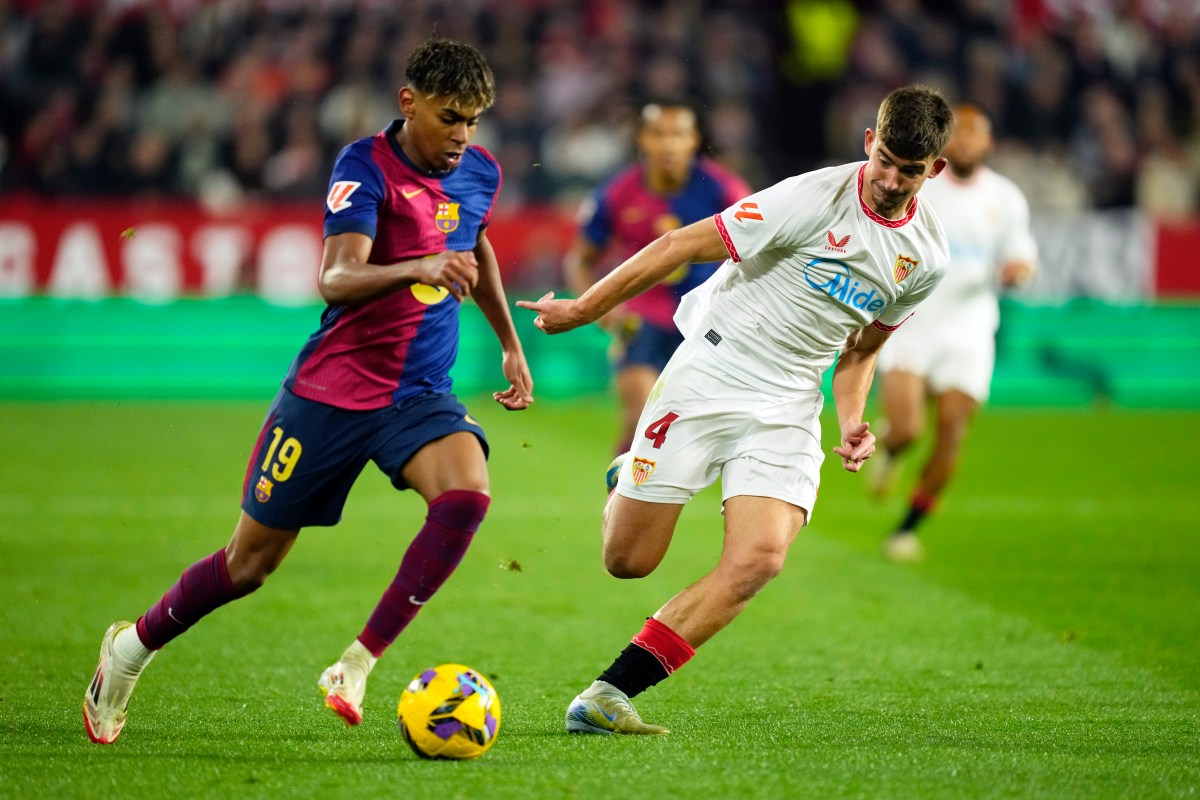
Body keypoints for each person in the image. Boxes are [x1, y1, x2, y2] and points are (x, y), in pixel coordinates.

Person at [82, 36, 534, 744]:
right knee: (249, 565)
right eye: (450, 117)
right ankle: (129, 650)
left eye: (474, 120)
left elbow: (473, 243)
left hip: (417, 391)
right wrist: (418, 264)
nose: (462, 136)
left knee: (467, 493)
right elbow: (336, 278)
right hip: (333, 391)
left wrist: (509, 342)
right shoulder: (363, 167)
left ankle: (357, 663)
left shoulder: (479, 171)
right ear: (408, 102)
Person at [518, 85, 954, 734]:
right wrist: (585, 310)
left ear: (934, 170)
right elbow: (678, 248)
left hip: (790, 403)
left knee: (760, 559)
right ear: (870, 140)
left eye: (910, 170)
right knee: (627, 561)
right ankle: (632, 470)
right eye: (885, 159)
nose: (891, 179)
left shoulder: (925, 258)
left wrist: (854, 417)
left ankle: (609, 694)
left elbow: (861, 351)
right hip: (713, 371)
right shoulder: (809, 198)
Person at [872, 104, 1037, 563]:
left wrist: (1020, 269)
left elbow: (1022, 254)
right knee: (906, 429)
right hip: (913, 322)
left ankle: (905, 530)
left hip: (970, 330)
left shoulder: (1005, 198)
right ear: (945, 143)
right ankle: (892, 451)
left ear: (989, 144)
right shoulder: (921, 186)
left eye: (975, 135)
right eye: (958, 135)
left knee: (952, 433)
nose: (965, 142)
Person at [564, 99, 751, 454]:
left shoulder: (725, 191)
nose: (668, 144)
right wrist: (601, 310)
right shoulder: (617, 193)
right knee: (641, 420)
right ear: (641, 140)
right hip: (641, 321)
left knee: (714, 432)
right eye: (658, 134)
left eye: (678, 134)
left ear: (694, 139)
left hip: (705, 325)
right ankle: (616, 506)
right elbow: (579, 260)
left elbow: (760, 252)